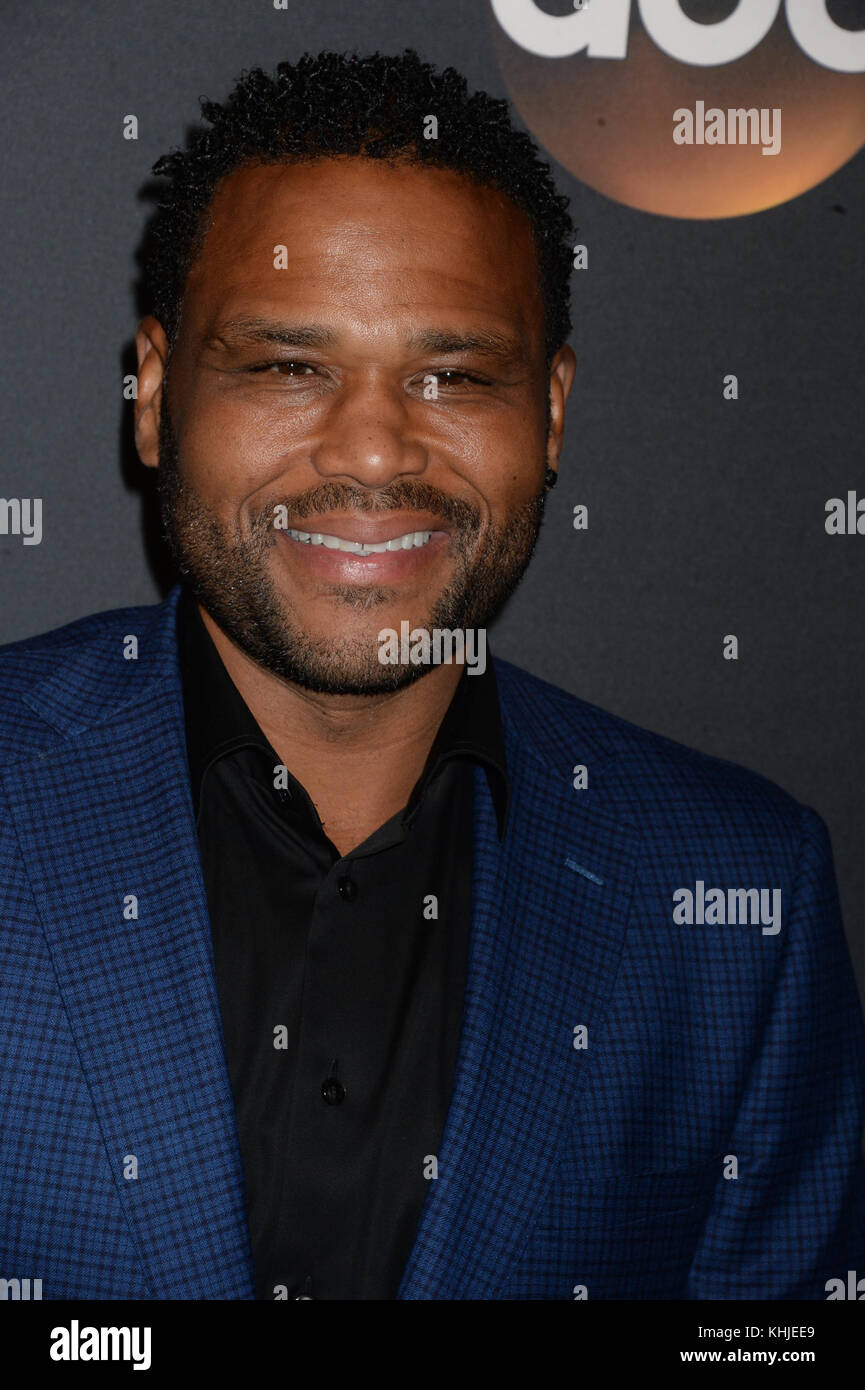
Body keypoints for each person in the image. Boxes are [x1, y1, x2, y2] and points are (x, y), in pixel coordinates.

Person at [0, 49, 862, 1302]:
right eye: (289, 365)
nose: (370, 449)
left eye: (453, 377)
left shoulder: (738, 895)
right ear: (151, 393)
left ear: (551, 416)